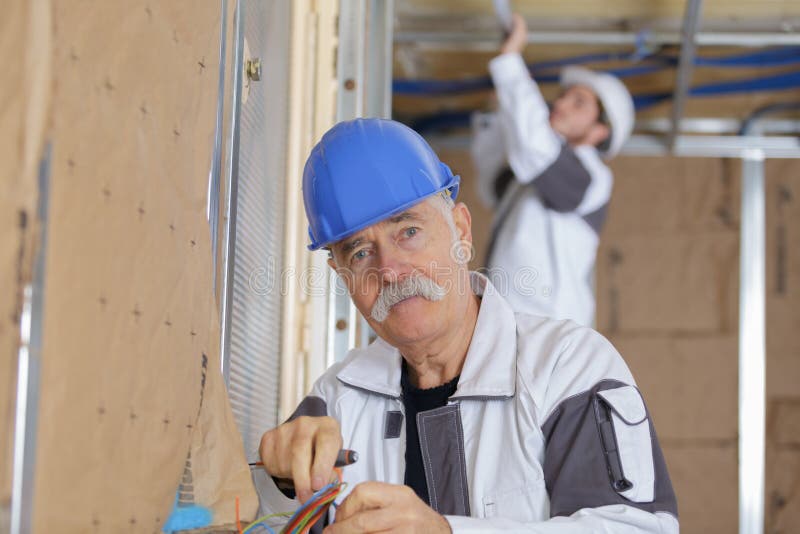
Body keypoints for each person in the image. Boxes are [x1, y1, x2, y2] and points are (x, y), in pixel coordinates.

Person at [258, 118, 677, 533]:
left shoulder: (568, 368)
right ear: (342, 275)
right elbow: (267, 515)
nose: (390, 270)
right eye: (361, 252)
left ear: (460, 230)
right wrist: (278, 477)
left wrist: (445, 532)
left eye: (408, 231)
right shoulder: (336, 399)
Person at [472, 13, 635, 326]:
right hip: (507, 322)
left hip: (547, 327)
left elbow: (535, 147)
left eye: (579, 103)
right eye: (563, 97)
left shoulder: (591, 177)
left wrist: (510, 60)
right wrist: (497, 114)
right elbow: (492, 184)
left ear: (600, 131)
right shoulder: (536, 174)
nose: (560, 105)